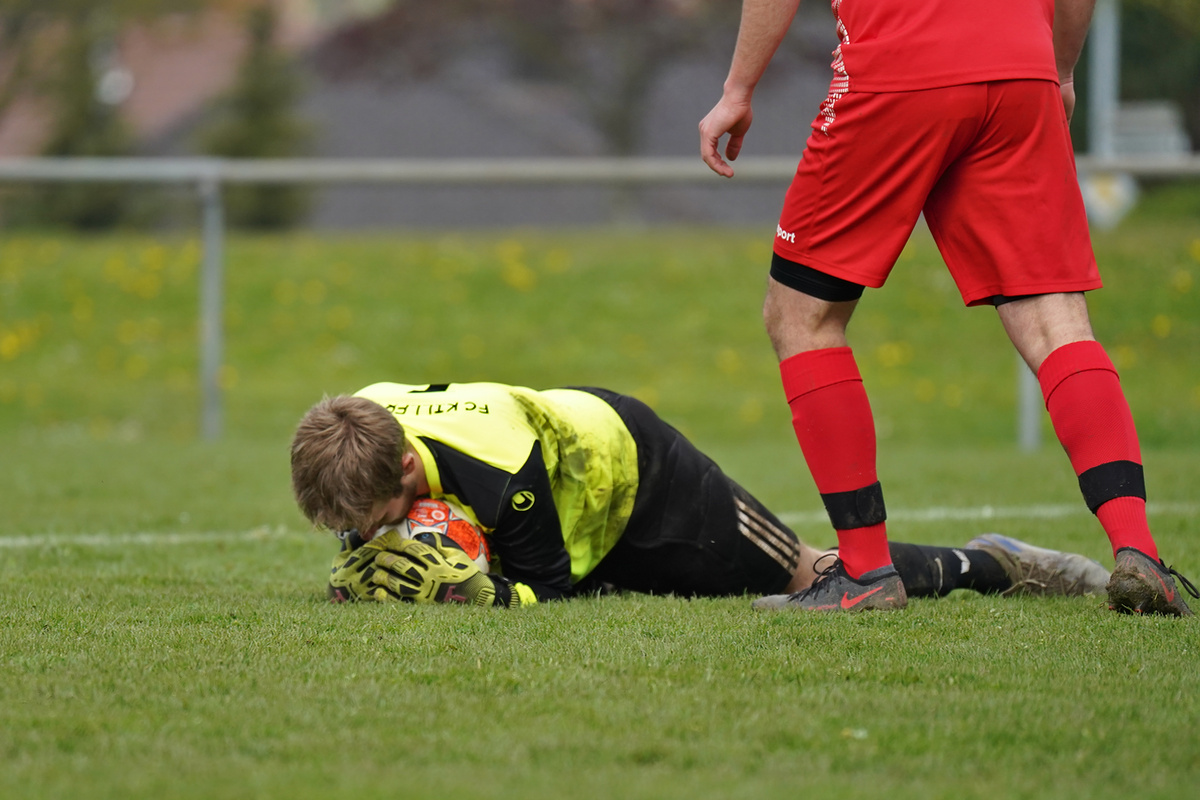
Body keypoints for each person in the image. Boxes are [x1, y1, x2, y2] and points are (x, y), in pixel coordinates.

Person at [697, 0, 1196, 614]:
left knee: (801, 316)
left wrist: (738, 89)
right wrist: (1060, 71)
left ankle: (865, 572)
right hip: (1021, 66)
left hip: (899, 64)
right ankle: (1139, 552)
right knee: (1056, 321)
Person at [290, 381, 1110, 608]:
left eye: (374, 524)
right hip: (565, 483)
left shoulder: (500, 470)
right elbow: (368, 529)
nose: (364, 539)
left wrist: (484, 595)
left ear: (407, 471)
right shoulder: (358, 429)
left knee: (817, 576)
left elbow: (554, 586)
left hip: (643, 478)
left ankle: (999, 563)